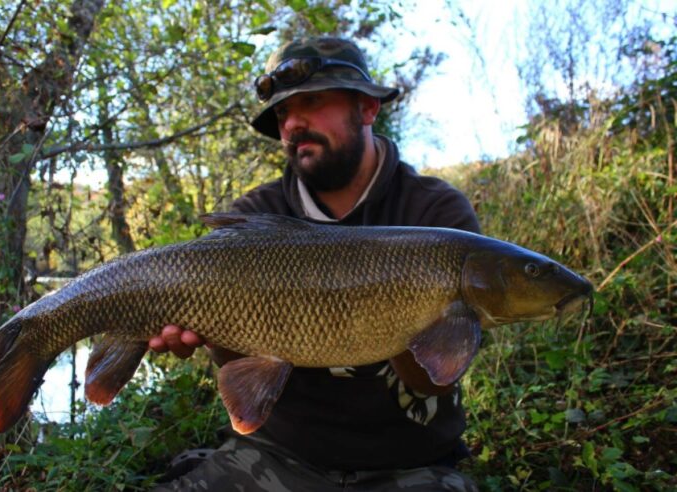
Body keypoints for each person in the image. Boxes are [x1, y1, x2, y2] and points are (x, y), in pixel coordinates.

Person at [150, 37, 480, 492]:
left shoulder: (437, 217)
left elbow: (434, 384)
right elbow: (239, 363)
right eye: (283, 114)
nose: (292, 124)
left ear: (367, 108)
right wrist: (211, 336)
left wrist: (406, 314)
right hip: (275, 456)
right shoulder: (255, 218)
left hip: (409, 465)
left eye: (311, 102)